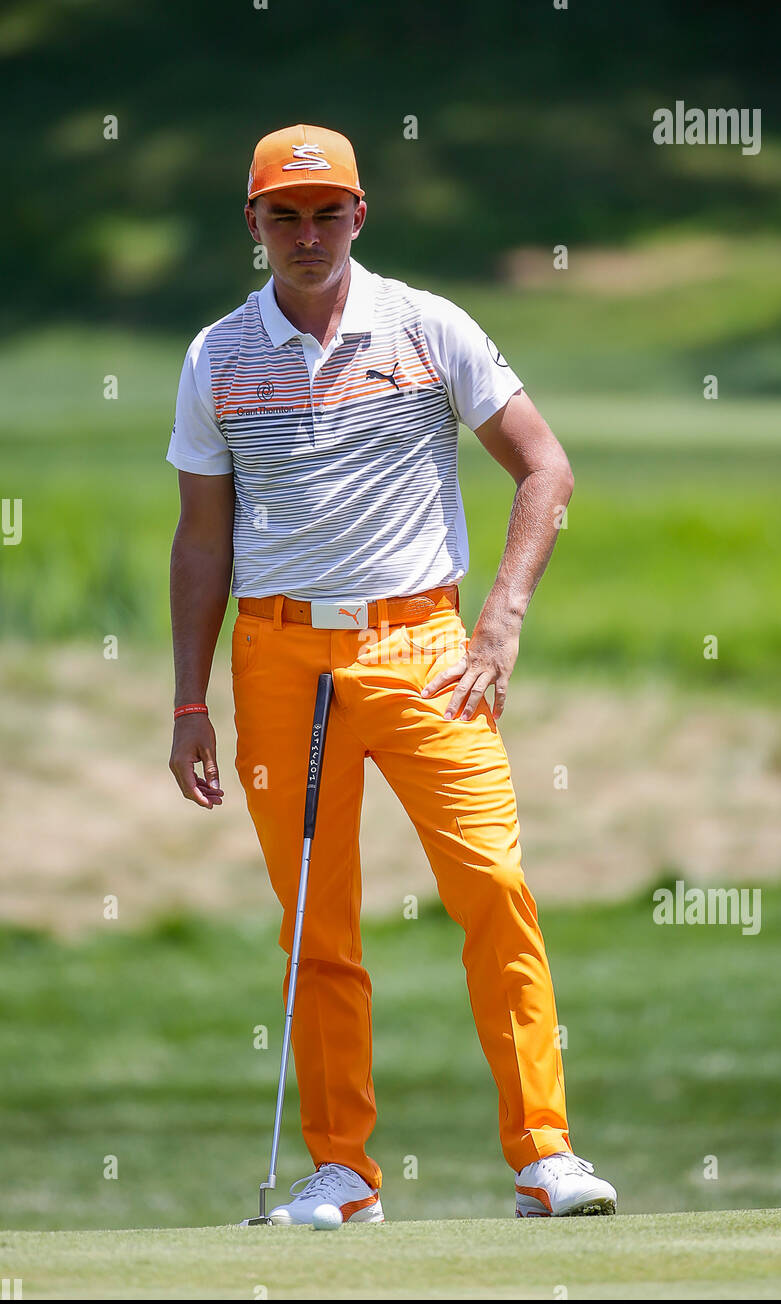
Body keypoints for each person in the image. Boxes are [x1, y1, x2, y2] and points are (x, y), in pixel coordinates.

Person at [167, 124, 617, 1223]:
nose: (308, 235)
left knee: (494, 889)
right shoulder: (215, 356)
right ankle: (344, 1172)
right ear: (254, 224)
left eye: (328, 213)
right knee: (317, 922)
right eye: (286, 215)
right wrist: (188, 699)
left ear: (359, 216)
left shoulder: (425, 325)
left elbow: (543, 465)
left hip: (426, 649)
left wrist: (501, 619)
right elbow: (200, 542)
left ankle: (544, 1153)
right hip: (277, 657)